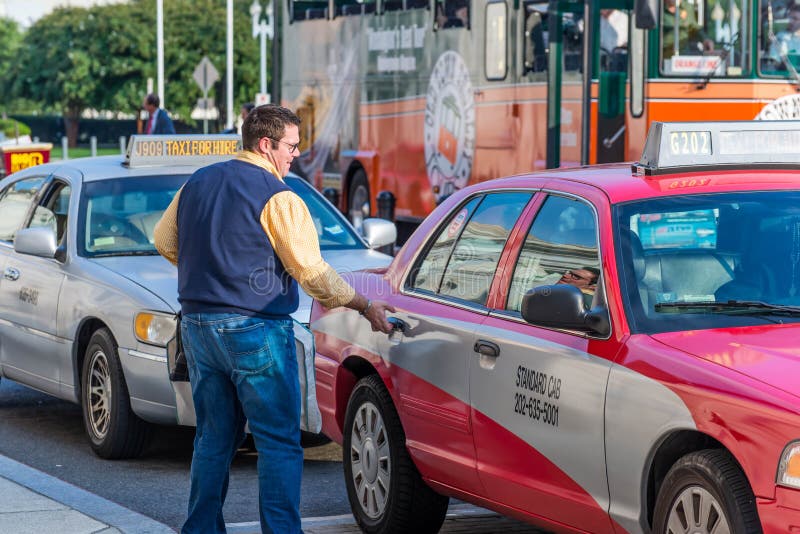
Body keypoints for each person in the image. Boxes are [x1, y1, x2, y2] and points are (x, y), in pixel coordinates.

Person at [153, 104, 394, 534]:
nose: (295, 155)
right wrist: (365, 305)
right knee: (279, 443)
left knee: (213, 439)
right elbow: (312, 273)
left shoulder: (198, 182)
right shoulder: (279, 196)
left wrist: (211, 270)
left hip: (198, 326)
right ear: (265, 145)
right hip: (256, 328)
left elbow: (164, 240)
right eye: (291, 146)